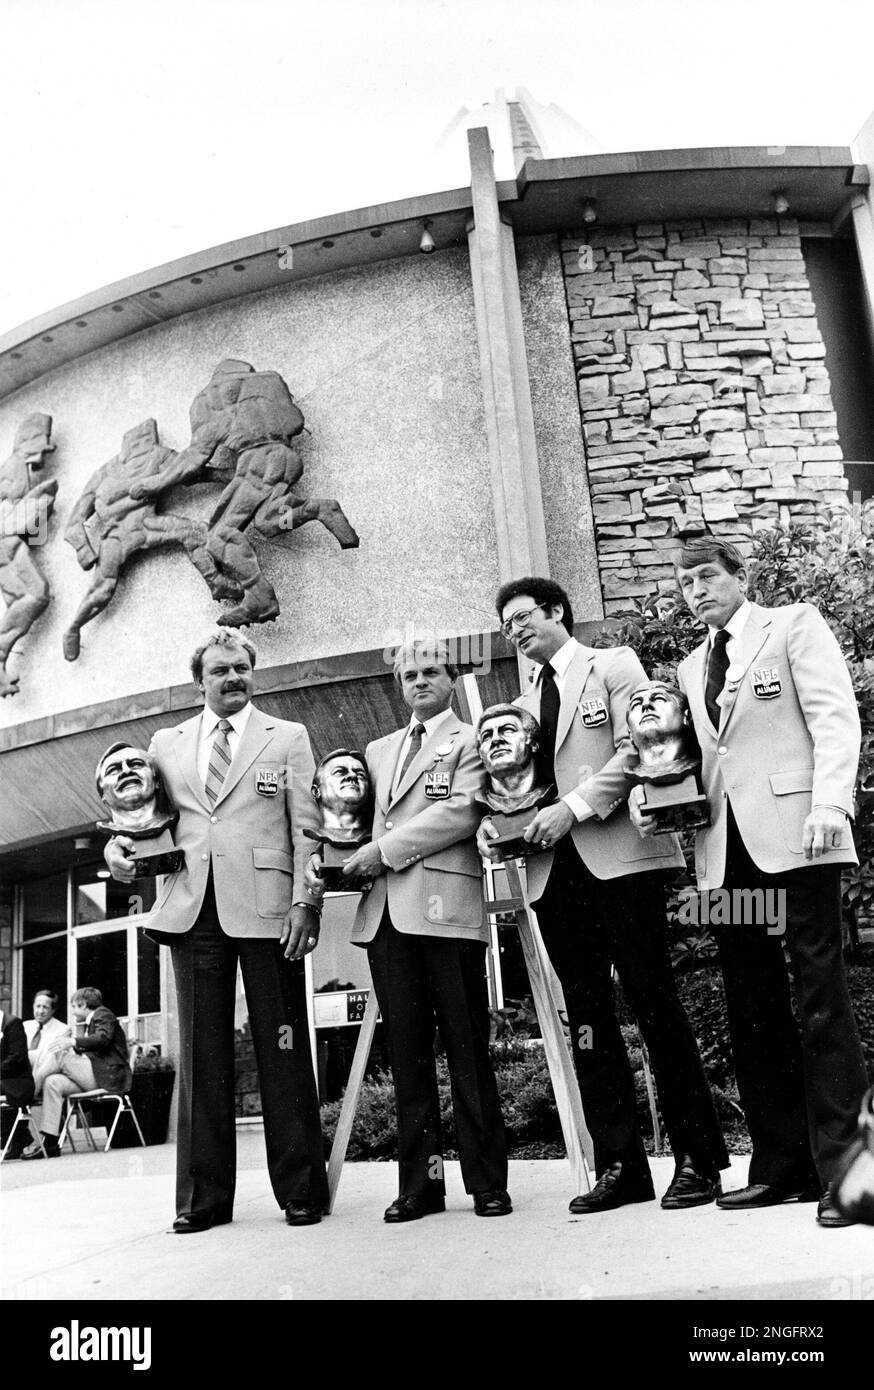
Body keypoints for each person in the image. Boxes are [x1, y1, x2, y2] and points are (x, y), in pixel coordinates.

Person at [631, 535, 870, 1228]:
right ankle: (781, 1167)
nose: (697, 591)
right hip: (727, 853)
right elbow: (706, 762)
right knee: (752, 1003)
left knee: (821, 999)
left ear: (740, 578)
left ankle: (849, 1177)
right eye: (686, 584)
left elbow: (834, 716)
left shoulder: (793, 625)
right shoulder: (688, 666)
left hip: (802, 837)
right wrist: (665, 811)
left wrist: (831, 803)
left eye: (708, 577)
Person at [480, 577, 728, 1214]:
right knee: (587, 1017)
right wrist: (497, 820)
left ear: (557, 611)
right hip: (553, 875)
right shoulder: (525, 697)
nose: (517, 631)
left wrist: (574, 807)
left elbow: (636, 749)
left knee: (655, 1005)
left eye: (523, 617)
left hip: (620, 861)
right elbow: (522, 782)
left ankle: (700, 1161)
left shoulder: (611, 664)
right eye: (507, 626)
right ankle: (620, 1164)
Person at [104, 631, 328, 1231]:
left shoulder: (289, 737)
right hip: (190, 909)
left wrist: (307, 902)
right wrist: (119, 848)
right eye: (220, 670)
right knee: (202, 1058)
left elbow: (309, 829)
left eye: (242, 669)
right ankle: (202, 1201)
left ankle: (302, 1190)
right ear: (198, 679)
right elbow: (147, 820)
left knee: (282, 1050)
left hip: (268, 908)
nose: (233, 678)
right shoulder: (165, 743)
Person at [313, 637, 510, 1222]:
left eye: (430, 672)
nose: (419, 682)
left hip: (445, 910)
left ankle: (487, 1183)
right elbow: (352, 822)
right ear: (398, 686)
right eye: (409, 676)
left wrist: (384, 851)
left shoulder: (474, 737)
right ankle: (421, 1186)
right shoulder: (377, 750)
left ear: (452, 678)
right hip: (387, 920)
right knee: (407, 1059)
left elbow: (465, 809)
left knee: (468, 1050)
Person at [21, 987, 130, 1159]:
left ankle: (27, 1094)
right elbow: (93, 1051)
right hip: (94, 1075)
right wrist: (72, 1044)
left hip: (106, 1076)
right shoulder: (90, 1021)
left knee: (60, 1057)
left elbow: (103, 1038)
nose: (72, 1011)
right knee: (53, 1081)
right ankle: (50, 1142)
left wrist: (71, 1041)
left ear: (83, 1004)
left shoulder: (103, 1014)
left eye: (74, 1006)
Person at [1, 1010, 35, 1157]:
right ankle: (20, 1138)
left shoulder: (12, 1023)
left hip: (18, 1081)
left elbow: (17, 1057)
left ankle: (16, 1138)